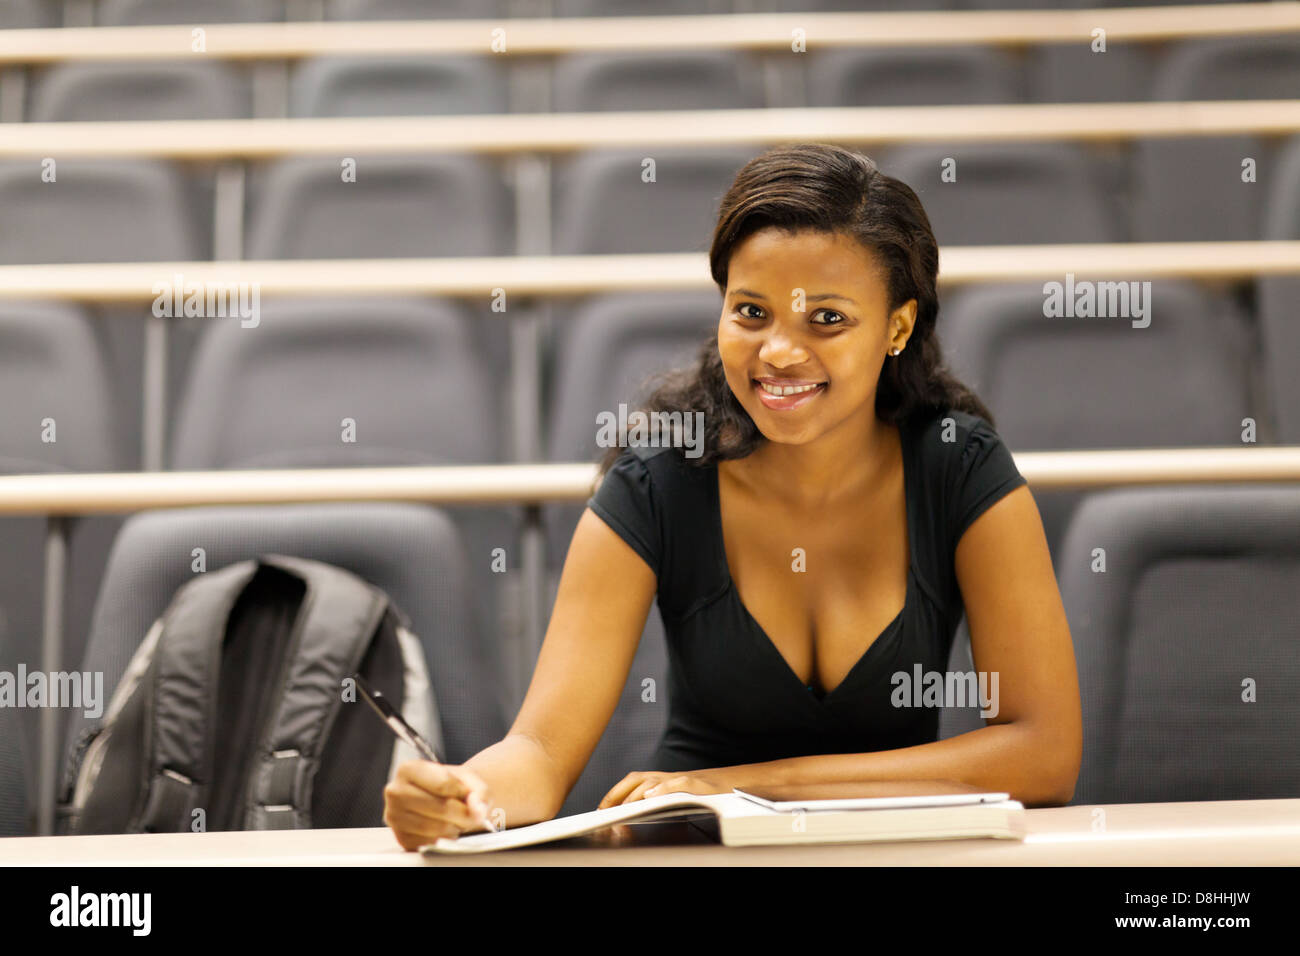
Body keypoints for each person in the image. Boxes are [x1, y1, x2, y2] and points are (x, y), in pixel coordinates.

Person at [383, 143, 1082, 849]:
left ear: (898, 327)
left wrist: (751, 783)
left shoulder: (959, 468)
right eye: (751, 311)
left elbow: (1044, 751)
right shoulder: (656, 483)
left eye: (827, 319)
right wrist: (469, 798)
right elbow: (537, 751)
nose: (778, 351)